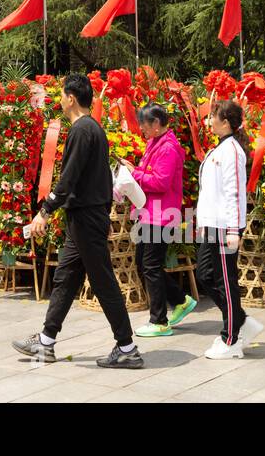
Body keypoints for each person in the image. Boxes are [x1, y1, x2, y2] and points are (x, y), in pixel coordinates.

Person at [14, 73, 141, 369]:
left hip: (86, 218)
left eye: (60, 95)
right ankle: (46, 342)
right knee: (66, 278)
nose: (58, 100)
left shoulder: (82, 130)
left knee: (103, 282)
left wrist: (44, 211)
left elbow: (69, 178)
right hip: (83, 218)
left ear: (71, 98)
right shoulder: (91, 128)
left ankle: (127, 347)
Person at [196, 101, 264, 359]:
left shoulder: (232, 150)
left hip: (226, 227)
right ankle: (242, 320)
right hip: (213, 225)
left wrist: (233, 229)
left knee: (226, 281)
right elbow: (211, 192)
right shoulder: (220, 148)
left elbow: (234, 192)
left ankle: (232, 338)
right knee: (205, 275)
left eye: (213, 116)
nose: (209, 120)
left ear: (225, 122)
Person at [123, 102, 195, 336]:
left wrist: (134, 173)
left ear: (155, 123)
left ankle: (159, 321)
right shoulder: (155, 143)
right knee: (144, 263)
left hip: (161, 215)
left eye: (143, 124)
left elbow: (161, 182)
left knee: (151, 265)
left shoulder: (168, 148)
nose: (141, 129)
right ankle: (181, 300)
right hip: (150, 212)